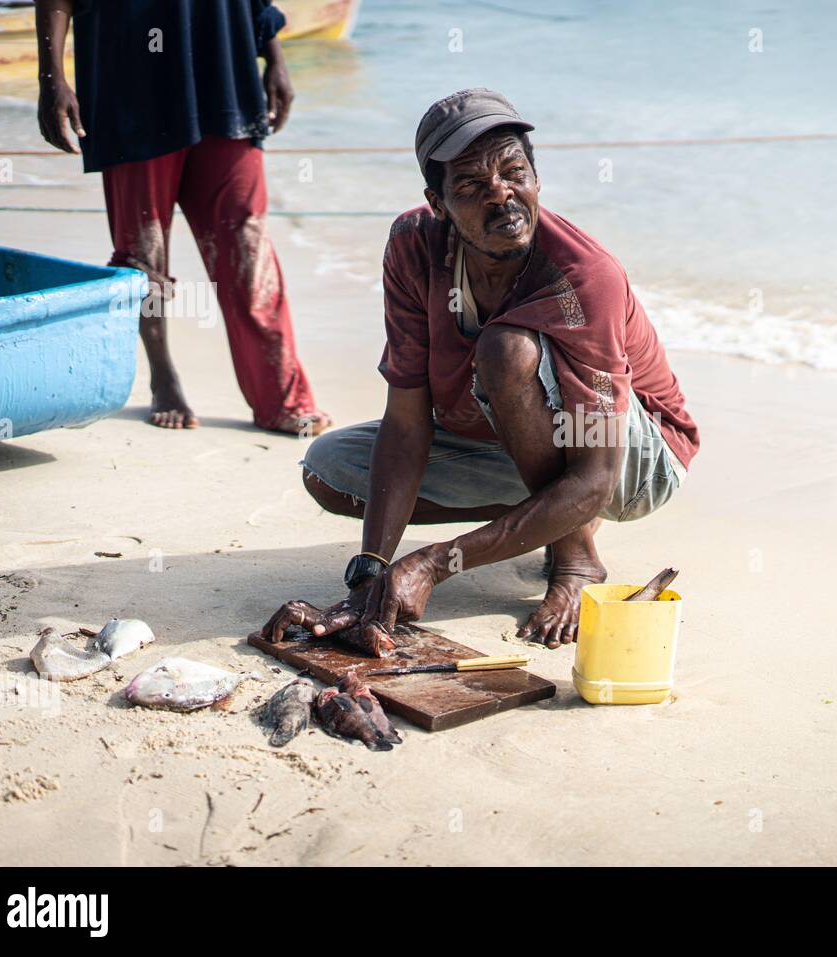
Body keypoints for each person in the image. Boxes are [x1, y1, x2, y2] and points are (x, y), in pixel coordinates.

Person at [255, 89, 698, 649]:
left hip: (635, 459)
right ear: (437, 204)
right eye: (470, 186)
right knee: (329, 470)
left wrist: (438, 562)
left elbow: (595, 478)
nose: (502, 197)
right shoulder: (413, 246)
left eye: (515, 173)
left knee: (505, 351)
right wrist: (372, 570)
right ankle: (542, 517)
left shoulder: (585, 276)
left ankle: (575, 557)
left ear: (537, 178)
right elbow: (408, 421)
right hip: (514, 443)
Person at [34, 0, 329, 435]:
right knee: (143, 255)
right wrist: (52, 78)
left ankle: (281, 398)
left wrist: (275, 56)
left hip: (227, 76)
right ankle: (163, 378)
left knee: (249, 252)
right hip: (130, 86)